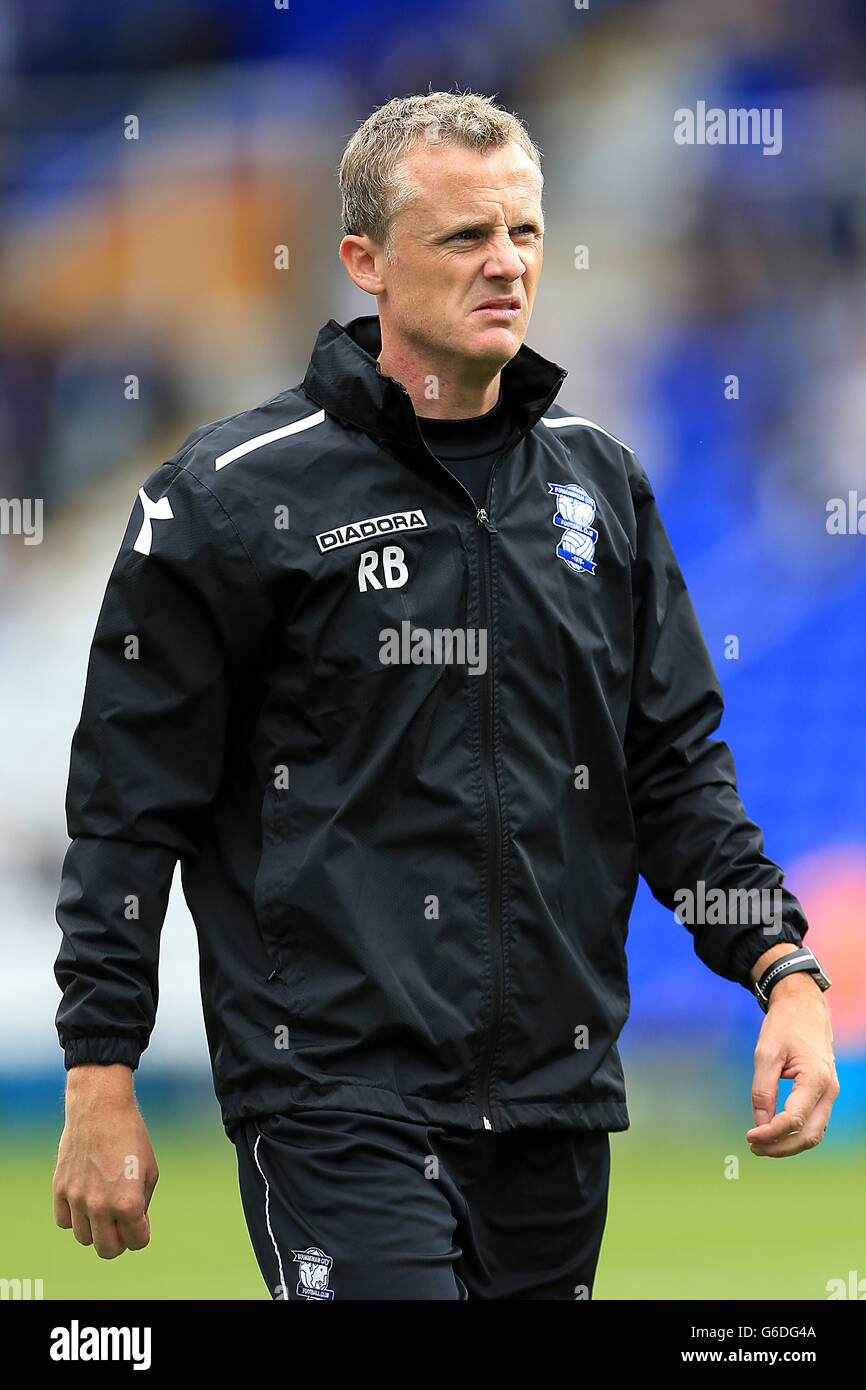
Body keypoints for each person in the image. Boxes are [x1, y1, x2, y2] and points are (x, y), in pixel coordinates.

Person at [52, 91, 838, 1301]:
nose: (506, 264)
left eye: (522, 232)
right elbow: (126, 807)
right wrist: (100, 1069)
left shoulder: (600, 487)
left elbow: (675, 770)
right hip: (329, 1092)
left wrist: (779, 966)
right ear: (363, 260)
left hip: (552, 1100)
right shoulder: (224, 498)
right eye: (464, 237)